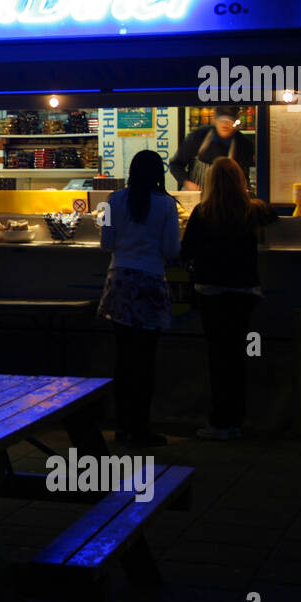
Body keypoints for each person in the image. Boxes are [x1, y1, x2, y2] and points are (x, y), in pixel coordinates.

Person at [180, 156, 278, 440]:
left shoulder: (203, 212)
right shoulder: (252, 210)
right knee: (237, 358)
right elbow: (273, 215)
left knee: (218, 359)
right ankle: (235, 420)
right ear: (240, 181)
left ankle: (220, 422)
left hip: (212, 292)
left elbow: (187, 252)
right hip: (244, 292)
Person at [97, 149, 181, 448]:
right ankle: (141, 428)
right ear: (159, 174)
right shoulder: (167, 205)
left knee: (123, 359)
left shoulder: (113, 200)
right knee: (145, 362)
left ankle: (122, 426)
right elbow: (172, 250)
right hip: (149, 284)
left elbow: (106, 243)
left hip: (119, 281)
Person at [169, 106, 255, 191]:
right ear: (215, 120)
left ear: (236, 123)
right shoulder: (198, 136)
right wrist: (187, 182)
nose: (225, 124)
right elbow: (175, 164)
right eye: (221, 120)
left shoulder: (244, 144)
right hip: (196, 194)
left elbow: (245, 175)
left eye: (229, 121)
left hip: (227, 197)